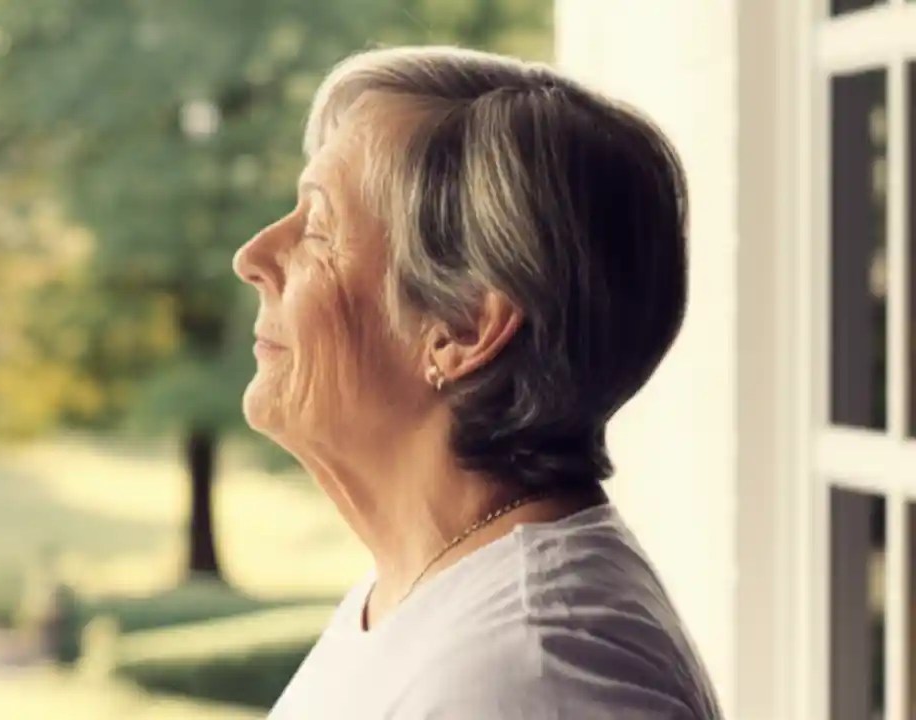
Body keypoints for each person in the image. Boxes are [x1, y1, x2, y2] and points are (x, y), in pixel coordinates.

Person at [231, 46, 722, 719]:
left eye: (318, 229)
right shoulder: (426, 592)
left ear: (464, 327)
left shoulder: (531, 675)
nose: (253, 256)